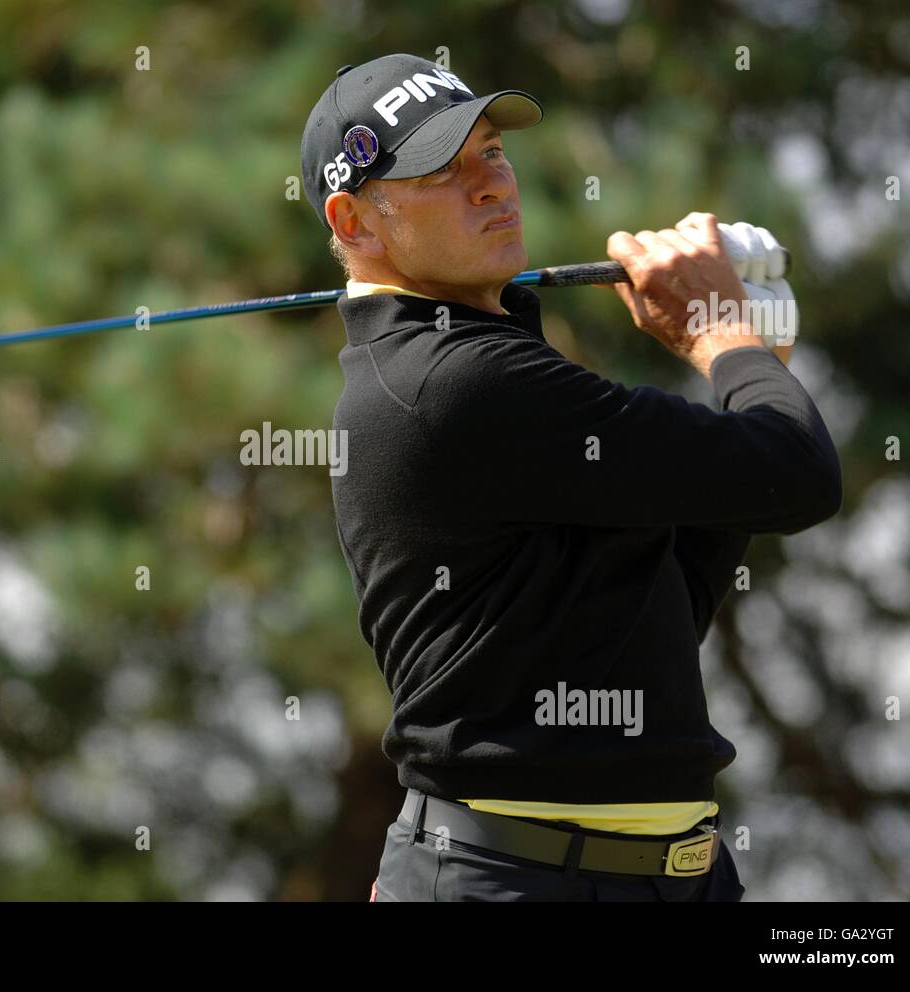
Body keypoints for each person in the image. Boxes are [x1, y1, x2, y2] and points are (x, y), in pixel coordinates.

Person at [299, 54, 841, 901]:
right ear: (354, 220)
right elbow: (802, 476)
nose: (490, 185)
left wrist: (749, 361)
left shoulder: (492, 361)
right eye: (442, 171)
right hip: (511, 879)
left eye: (491, 153)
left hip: (675, 876)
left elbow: (656, 612)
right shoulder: (452, 381)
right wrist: (724, 338)